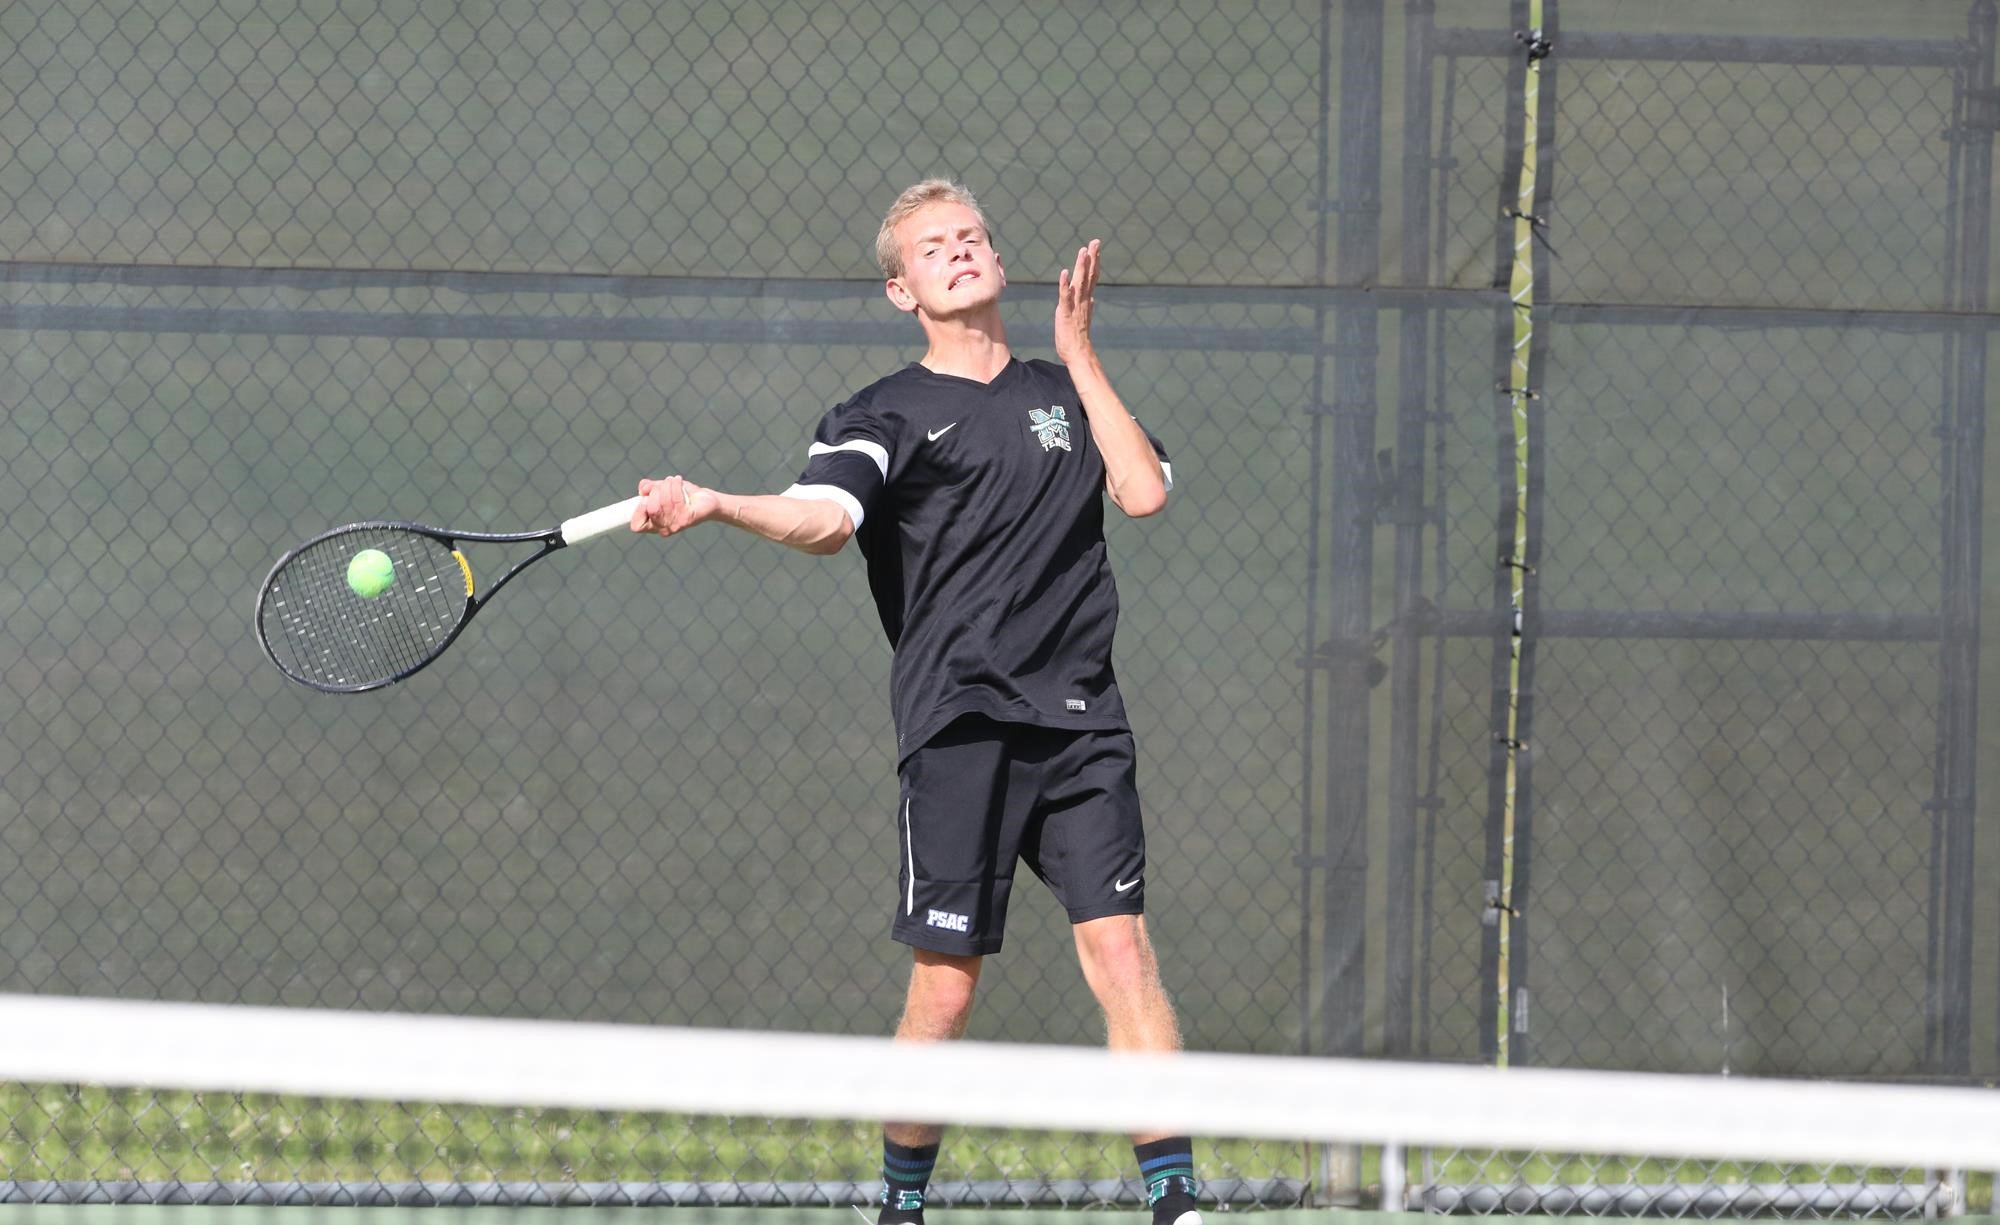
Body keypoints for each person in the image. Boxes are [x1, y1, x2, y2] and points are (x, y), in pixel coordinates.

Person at [629, 180, 1199, 1225]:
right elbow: (822, 517)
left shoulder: (1064, 390)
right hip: (959, 726)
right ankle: (898, 1207)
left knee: (1121, 949)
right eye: (932, 247)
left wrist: (1078, 357)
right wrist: (713, 503)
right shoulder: (883, 412)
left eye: (972, 236)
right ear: (901, 289)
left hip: (1080, 722)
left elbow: (1144, 489)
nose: (959, 252)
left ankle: (1177, 1203)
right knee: (944, 990)